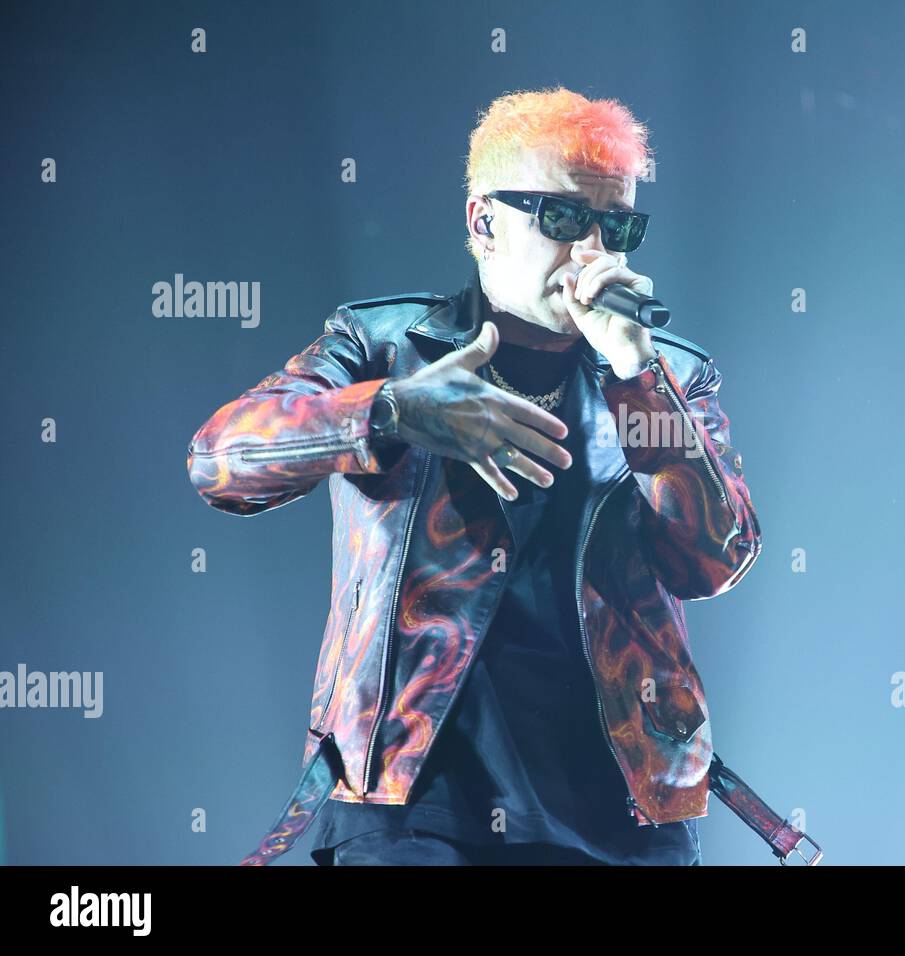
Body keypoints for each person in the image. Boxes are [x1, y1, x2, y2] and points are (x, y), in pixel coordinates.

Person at [187, 86, 762, 866]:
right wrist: (389, 412)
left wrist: (636, 369)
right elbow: (221, 461)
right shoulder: (385, 345)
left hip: (624, 814)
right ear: (482, 222)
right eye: (563, 219)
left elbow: (716, 557)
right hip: (410, 806)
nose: (593, 250)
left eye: (616, 225)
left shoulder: (670, 376)